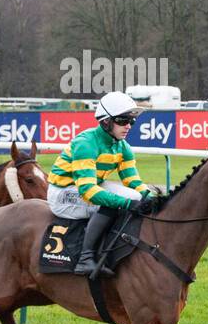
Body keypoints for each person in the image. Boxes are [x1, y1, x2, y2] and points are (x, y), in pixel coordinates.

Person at [47, 91, 156, 277]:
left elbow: (133, 181)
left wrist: (151, 198)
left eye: (132, 121)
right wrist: (125, 203)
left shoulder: (123, 147)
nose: (128, 126)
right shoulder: (86, 144)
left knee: (138, 197)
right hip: (63, 192)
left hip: (88, 186)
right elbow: (88, 191)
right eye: (123, 120)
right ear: (106, 121)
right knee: (115, 204)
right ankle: (85, 258)